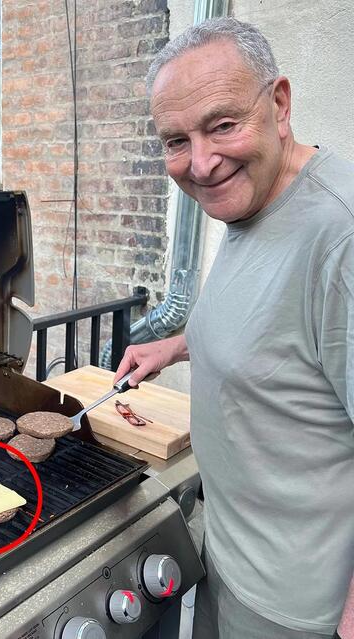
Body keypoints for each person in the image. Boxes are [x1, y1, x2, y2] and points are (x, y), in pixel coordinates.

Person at [115, 17, 354, 639]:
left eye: (223, 125)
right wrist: (177, 345)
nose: (201, 162)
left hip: (300, 608)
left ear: (279, 103)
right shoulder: (253, 202)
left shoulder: (341, 238)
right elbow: (273, 326)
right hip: (229, 558)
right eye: (176, 140)